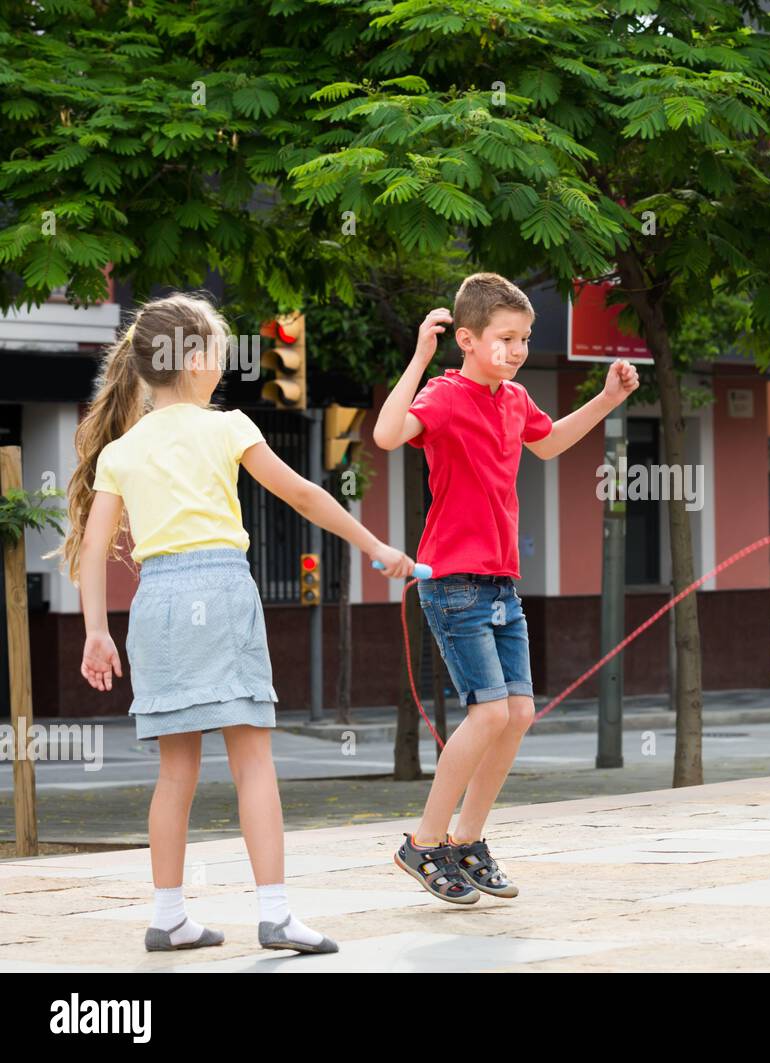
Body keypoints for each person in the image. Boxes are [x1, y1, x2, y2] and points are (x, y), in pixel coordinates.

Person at [60, 293, 415, 952]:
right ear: (194, 361)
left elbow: (90, 549)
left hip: (156, 602)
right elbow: (304, 494)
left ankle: (168, 915)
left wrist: (96, 631)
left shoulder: (123, 450)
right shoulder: (229, 428)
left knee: (176, 772)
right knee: (252, 759)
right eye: (219, 354)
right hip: (221, 590)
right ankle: (276, 912)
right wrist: (375, 546)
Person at [373, 272, 638, 903]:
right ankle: (423, 844)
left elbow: (548, 447)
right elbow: (386, 436)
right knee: (488, 711)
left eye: (524, 339)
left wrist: (605, 400)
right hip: (452, 579)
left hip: (500, 581)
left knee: (517, 713)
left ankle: (468, 840)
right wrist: (417, 359)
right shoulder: (442, 394)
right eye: (505, 338)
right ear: (467, 339)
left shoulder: (514, 400)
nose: (516, 350)